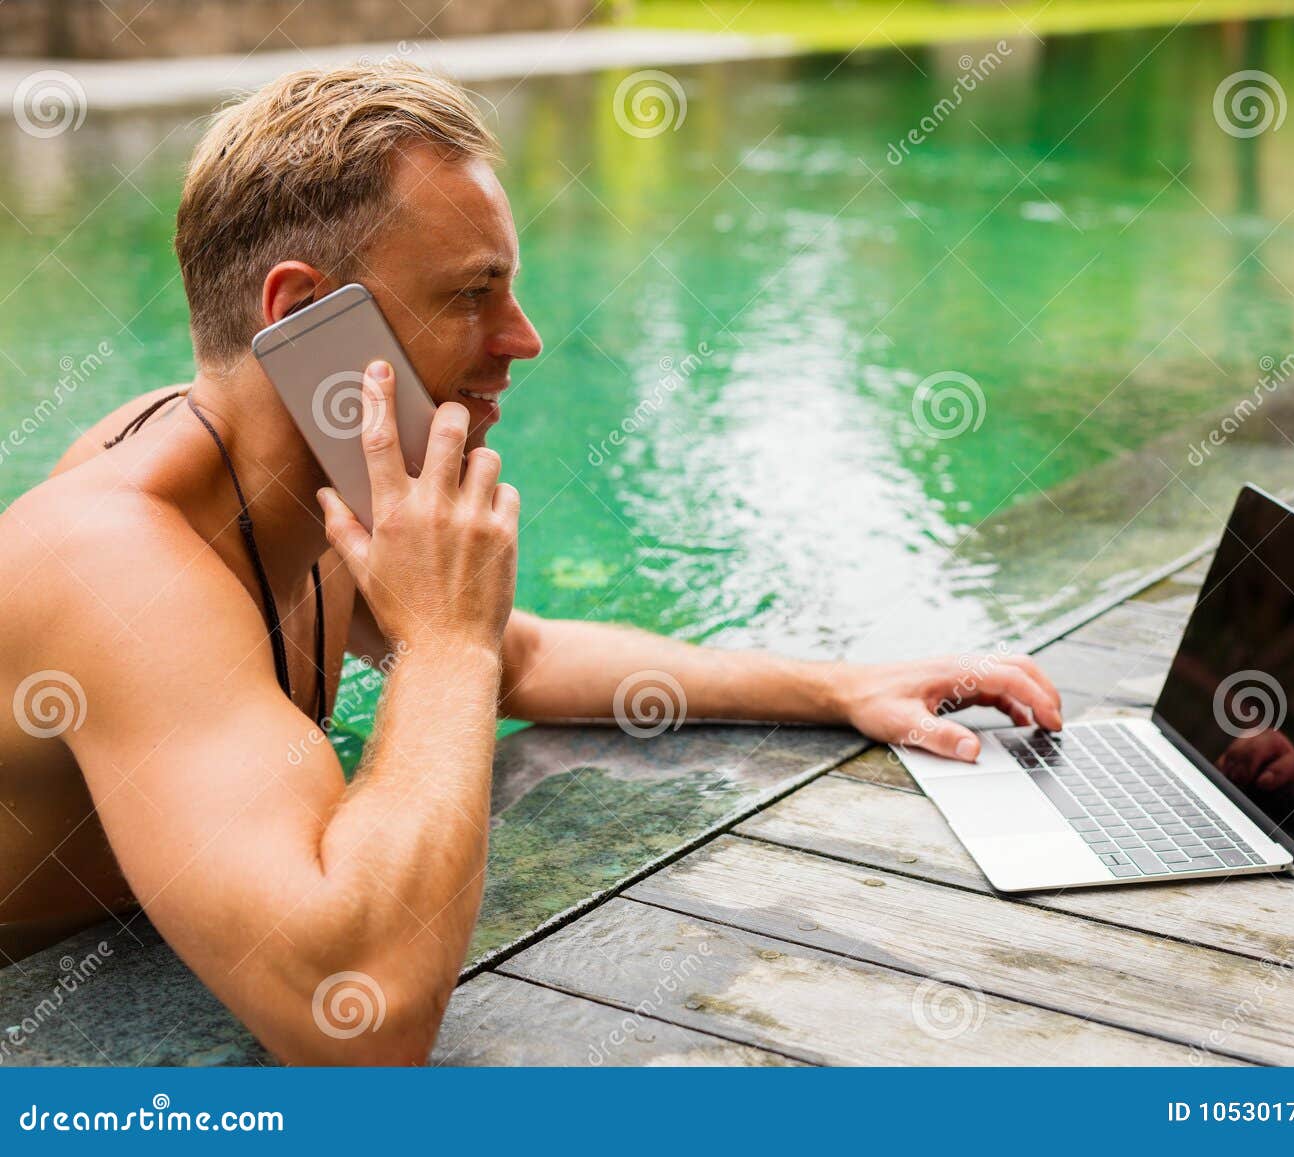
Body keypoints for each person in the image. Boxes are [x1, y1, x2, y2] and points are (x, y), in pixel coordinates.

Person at [0, 63, 1062, 1064]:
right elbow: (356, 1020)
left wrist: (838, 686)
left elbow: (529, 655)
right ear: (302, 315)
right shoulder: (113, 565)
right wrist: (443, 642)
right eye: (473, 292)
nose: (525, 337)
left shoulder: (293, 479)